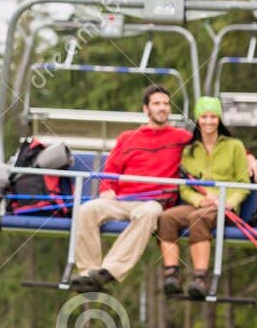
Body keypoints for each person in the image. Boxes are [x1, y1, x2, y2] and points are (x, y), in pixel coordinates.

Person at [69, 84, 189, 291]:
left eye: (166, 104)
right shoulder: (127, 138)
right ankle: (89, 273)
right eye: (157, 104)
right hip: (123, 200)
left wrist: (247, 155)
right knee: (86, 210)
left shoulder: (181, 138)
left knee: (148, 213)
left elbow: (211, 145)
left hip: (154, 202)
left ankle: (109, 271)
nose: (162, 108)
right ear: (146, 109)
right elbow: (111, 170)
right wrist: (107, 189)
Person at [157, 96, 254, 299]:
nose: (209, 121)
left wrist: (229, 202)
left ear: (219, 119)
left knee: (197, 218)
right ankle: (172, 274)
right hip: (199, 204)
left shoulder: (234, 146)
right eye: (204, 117)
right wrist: (200, 200)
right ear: (198, 120)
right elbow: (185, 188)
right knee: (166, 218)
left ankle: (200, 278)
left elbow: (243, 184)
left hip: (224, 207)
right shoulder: (190, 150)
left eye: (213, 117)